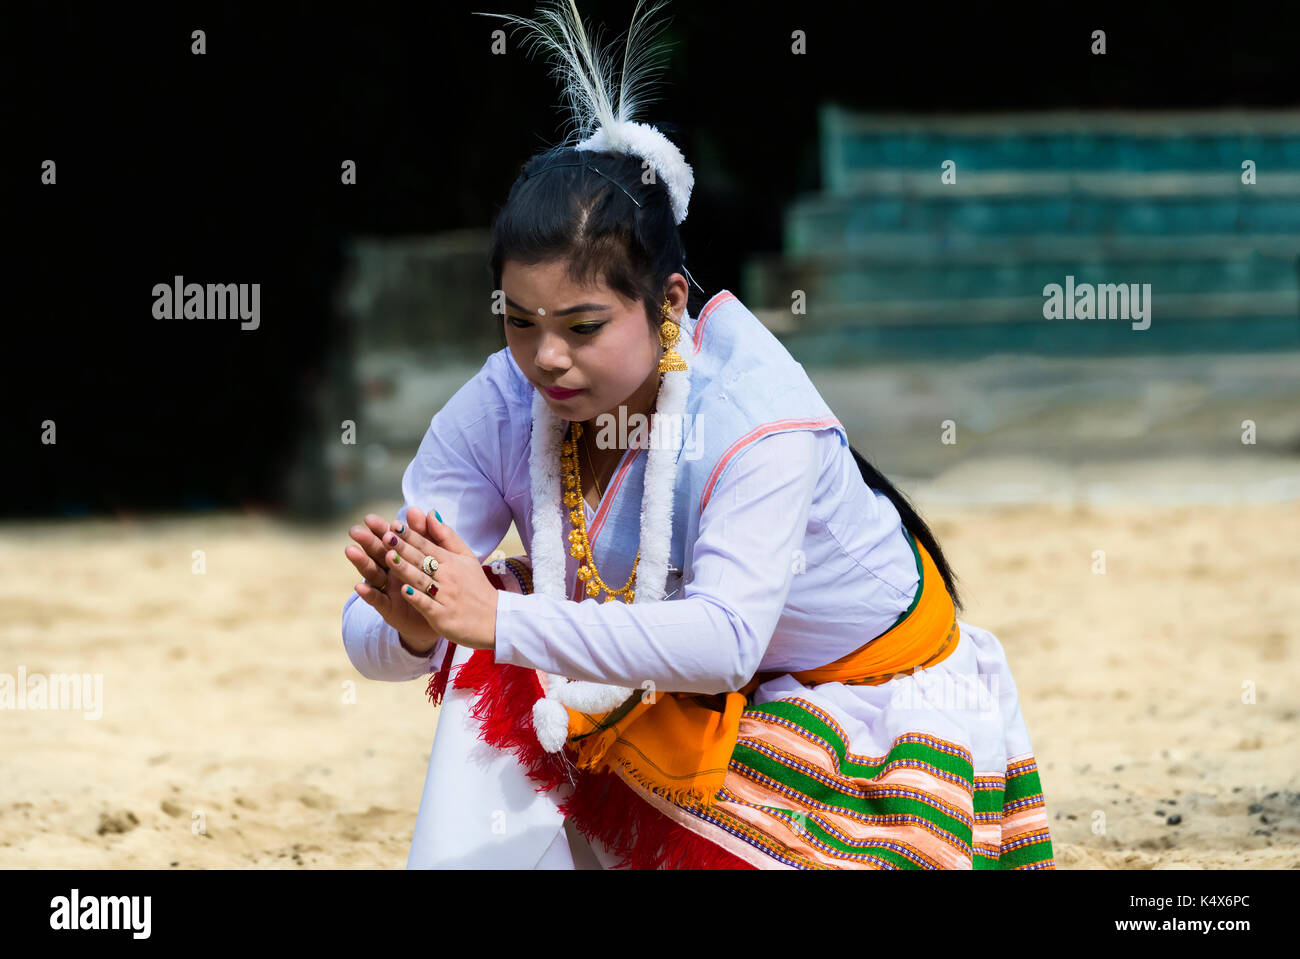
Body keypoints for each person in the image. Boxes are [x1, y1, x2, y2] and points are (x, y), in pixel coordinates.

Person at [341, 0, 1055, 870]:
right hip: (675, 684)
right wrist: (413, 625)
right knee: (499, 613)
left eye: (583, 324)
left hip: (854, 698)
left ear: (668, 300)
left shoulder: (756, 413)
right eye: (520, 321)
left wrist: (492, 615)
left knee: (510, 617)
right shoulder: (500, 399)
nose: (546, 358)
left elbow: (722, 646)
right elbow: (388, 638)